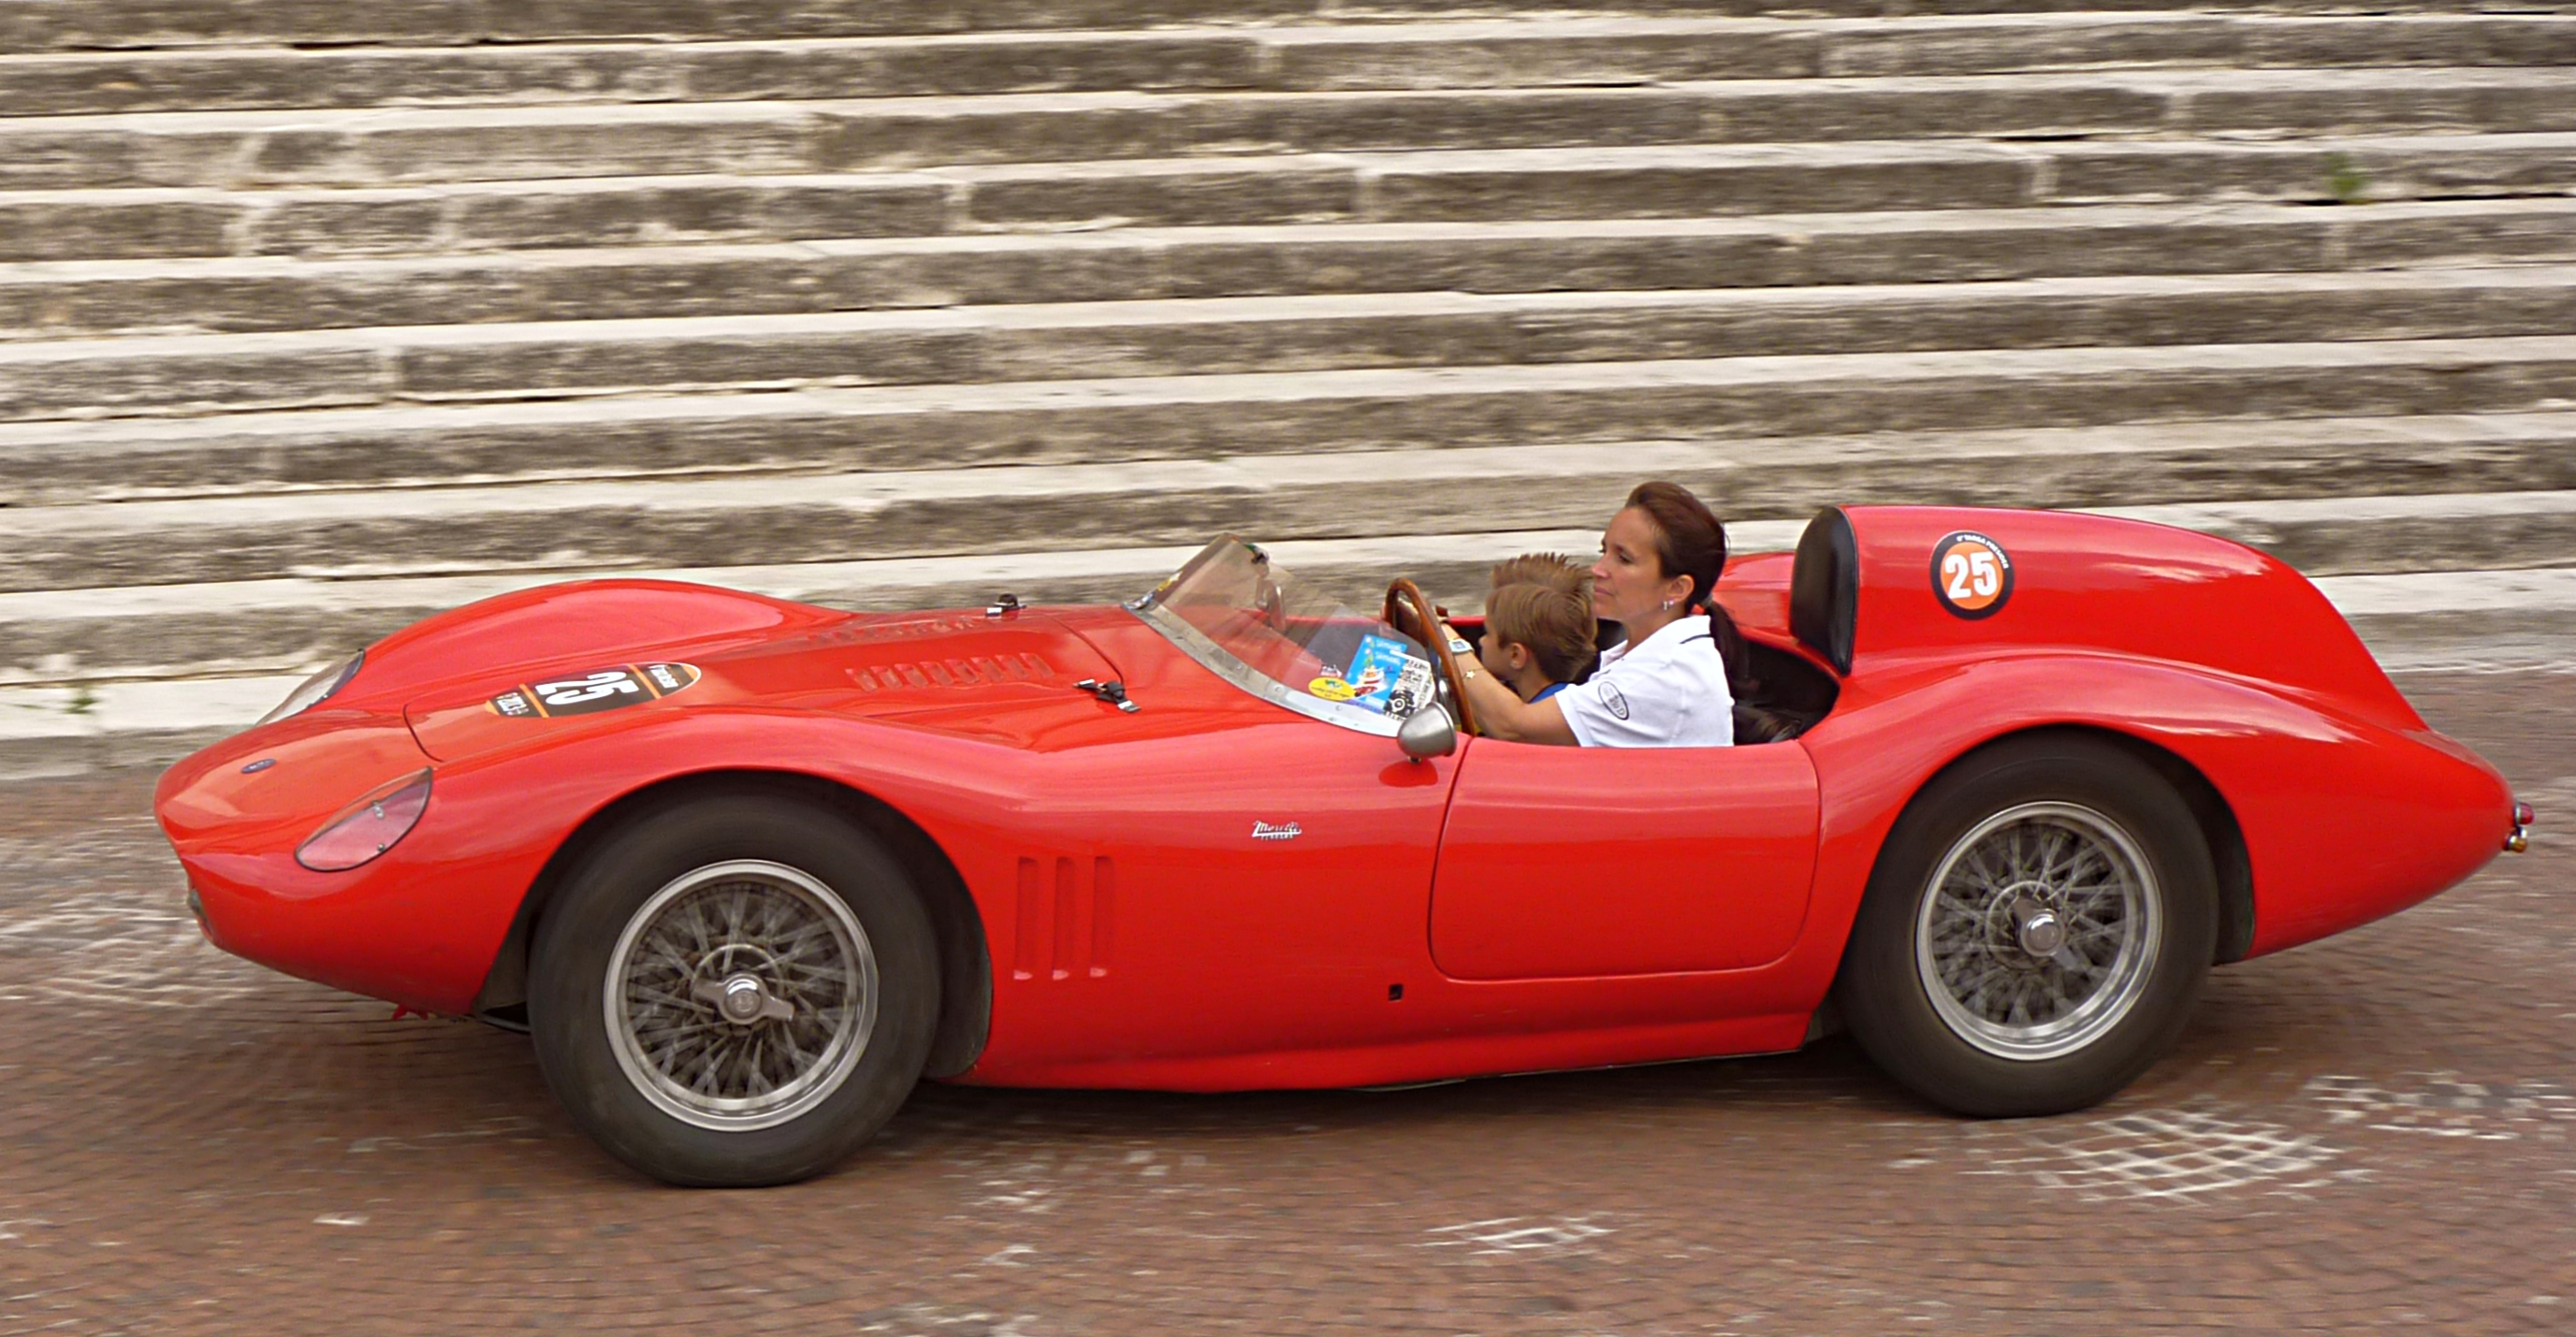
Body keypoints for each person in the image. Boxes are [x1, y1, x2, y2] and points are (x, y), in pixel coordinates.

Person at [1444, 481, 1747, 748]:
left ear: (1677, 589)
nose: (1598, 570)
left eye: (1623, 559)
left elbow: (1513, 727)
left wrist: (1448, 643)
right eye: (1604, 551)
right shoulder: (1654, 657)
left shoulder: (1665, 678)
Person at [1477, 555, 1596, 705]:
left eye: (1487, 633)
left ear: (1515, 655)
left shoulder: (1532, 723)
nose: (1481, 641)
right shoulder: (1572, 702)